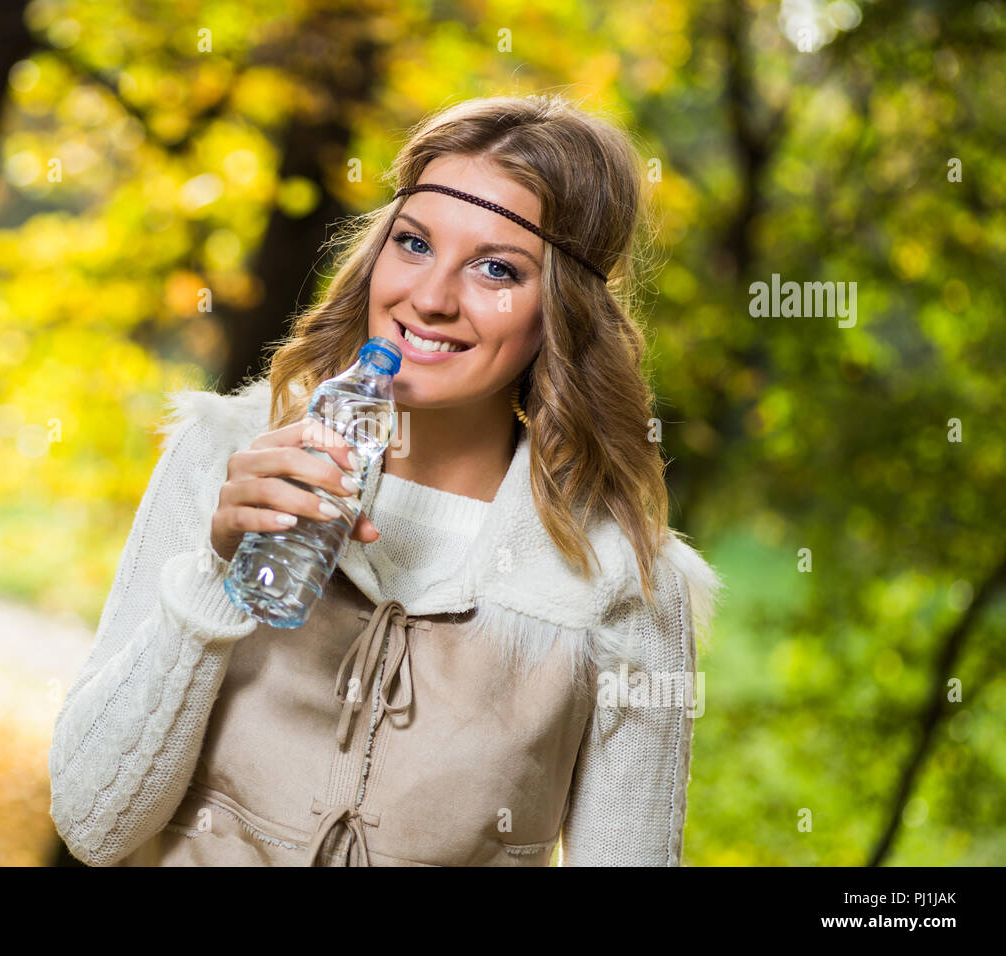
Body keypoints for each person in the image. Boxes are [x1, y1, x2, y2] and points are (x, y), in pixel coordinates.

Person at [49, 93, 724, 866]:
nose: (430, 299)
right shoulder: (225, 461)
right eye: (412, 244)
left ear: (560, 311)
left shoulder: (622, 582)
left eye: (496, 268)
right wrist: (214, 576)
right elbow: (94, 826)